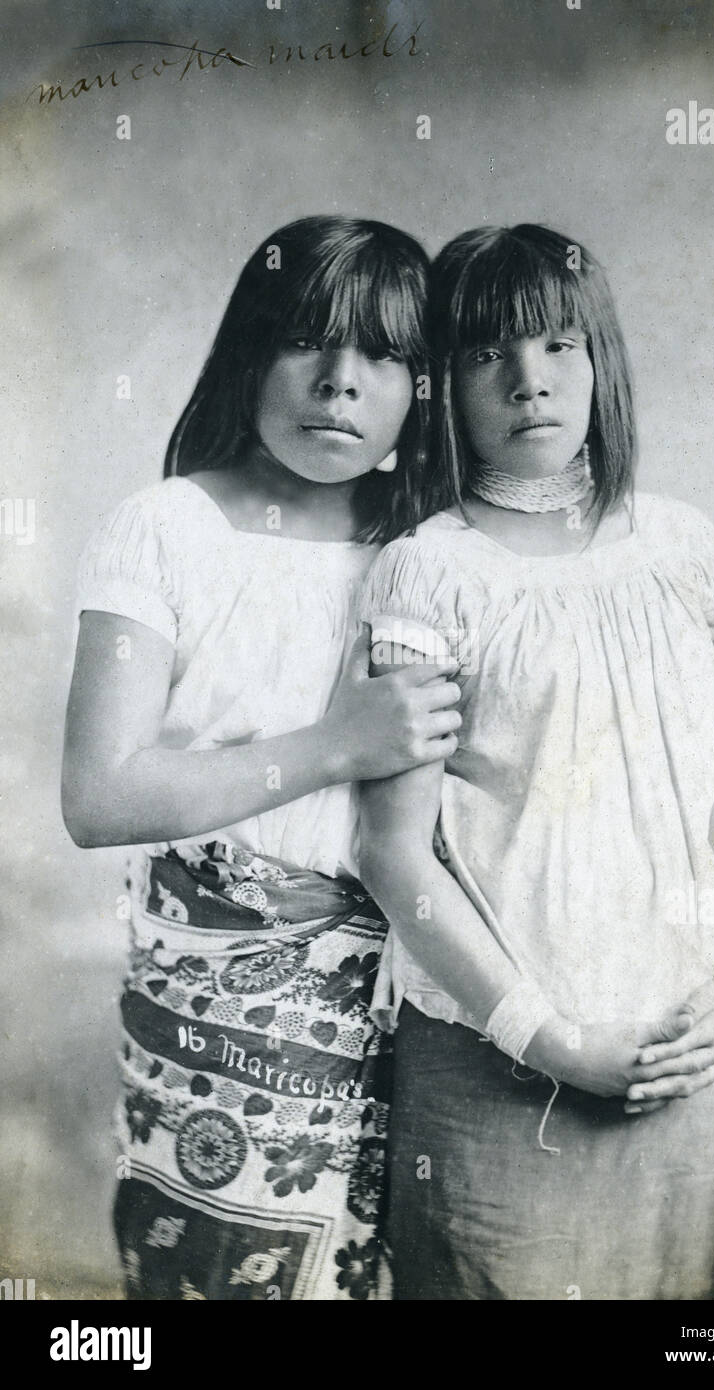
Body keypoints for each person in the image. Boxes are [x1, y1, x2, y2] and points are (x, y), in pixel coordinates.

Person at [358, 223, 714, 1300]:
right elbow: (394, 856)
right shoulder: (429, 574)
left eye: (555, 346)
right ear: (444, 385)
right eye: (487, 354)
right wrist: (553, 1042)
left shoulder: (681, 544)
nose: (528, 381)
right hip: (502, 1081)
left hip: (690, 1062)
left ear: (601, 360)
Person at [61, 216, 463, 1301]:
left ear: (421, 389)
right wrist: (333, 743)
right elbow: (100, 795)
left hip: (414, 997)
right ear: (250, 351)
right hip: (219, 1012)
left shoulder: (436, 544)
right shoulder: (167, 528)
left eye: (383, 356)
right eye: (307, 343)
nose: (340, 383)